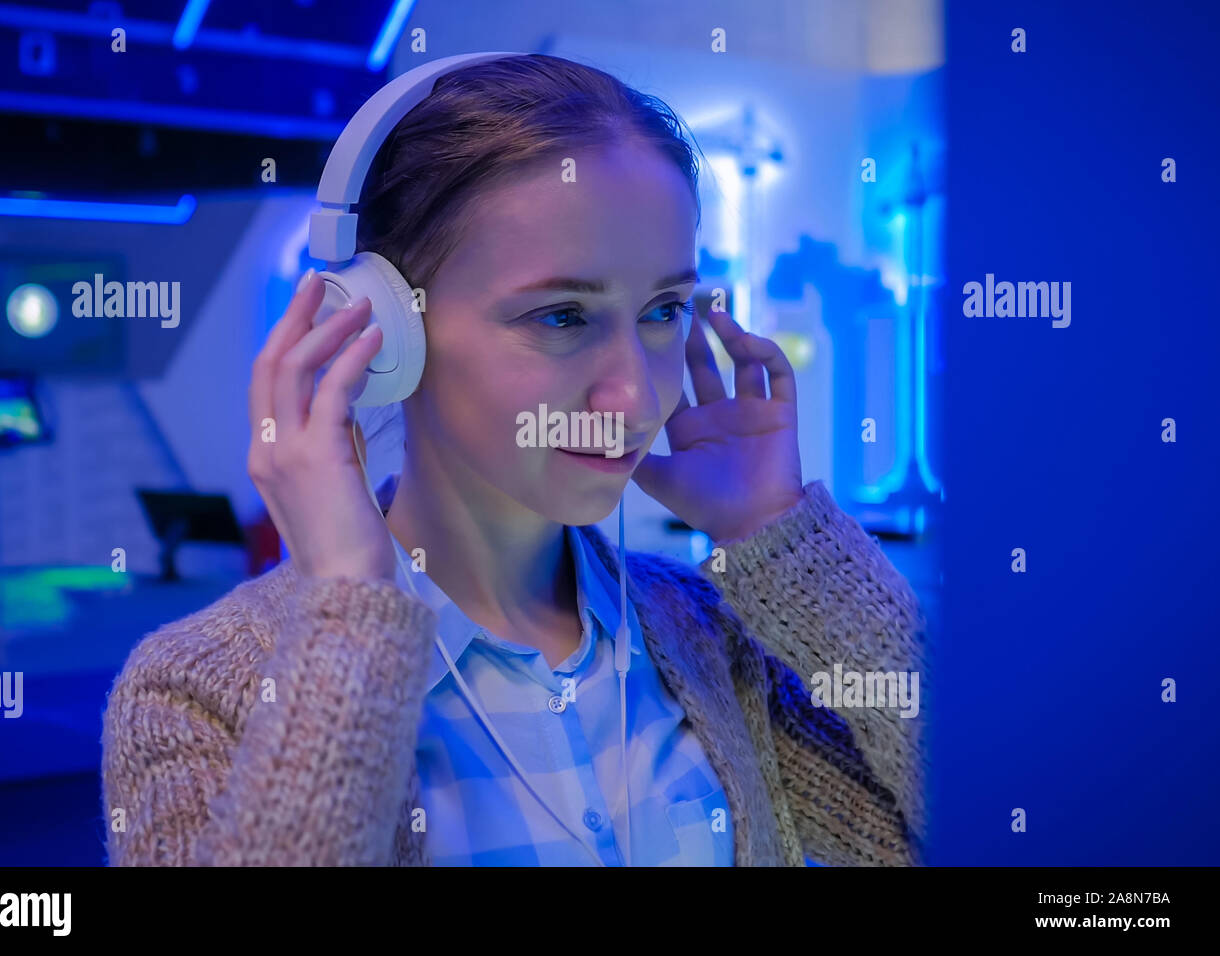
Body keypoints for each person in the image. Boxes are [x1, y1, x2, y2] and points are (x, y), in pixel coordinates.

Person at [100, 53, 928, 866]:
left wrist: (781, 539)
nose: (637, 398)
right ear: (385, 330)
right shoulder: (196, 692)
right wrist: (348, 608)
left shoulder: (709, 637)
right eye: (562, 317)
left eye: (663, 309)